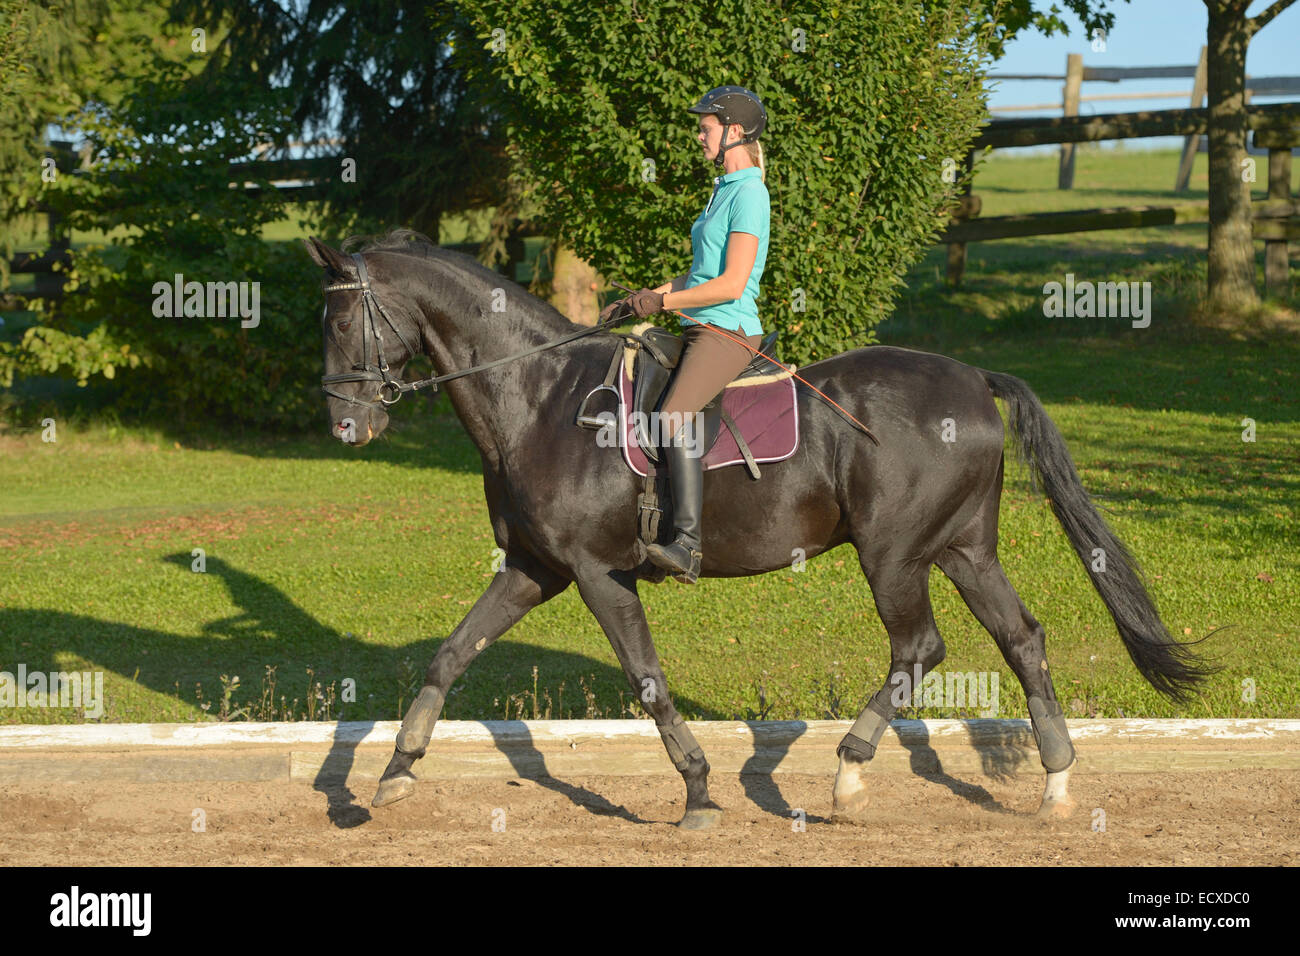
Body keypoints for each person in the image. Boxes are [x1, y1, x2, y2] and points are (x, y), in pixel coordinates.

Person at [601, 85, 770, 584]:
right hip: (700, 326)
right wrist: (641, 298)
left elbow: (732, 283)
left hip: (728, 331)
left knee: (673, 417)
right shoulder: (722, 190)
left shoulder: (750, 194)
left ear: (734, 132)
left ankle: (689, 546)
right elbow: (700, 276)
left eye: (705, 128)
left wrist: (665, 304)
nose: (699, 136)